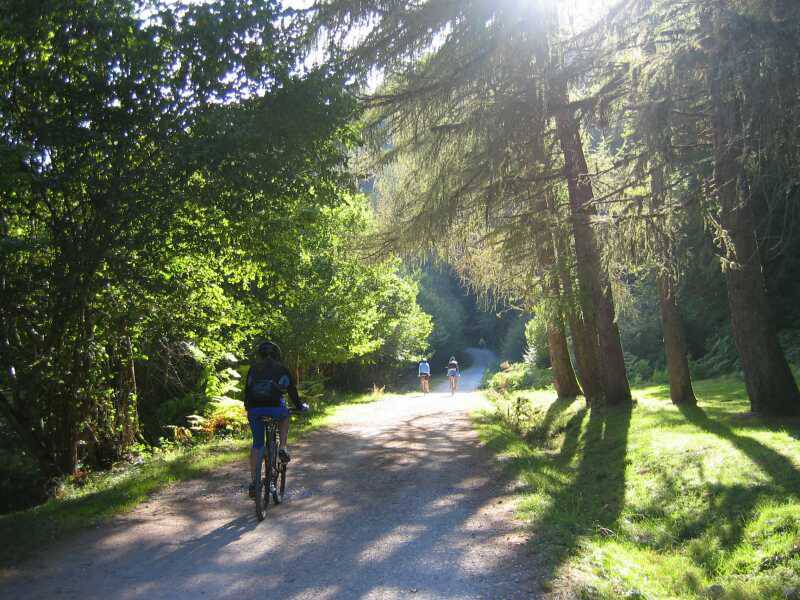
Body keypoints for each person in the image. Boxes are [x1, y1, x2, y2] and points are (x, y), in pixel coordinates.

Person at [244, 340, 307, 498]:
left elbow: (247, 393)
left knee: (257, 444)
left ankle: (254, 482)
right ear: (277, 354)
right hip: (275, 408)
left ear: (260, 354)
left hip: (255, 411)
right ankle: (282, 447)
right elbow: (292, 392)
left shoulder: (253, 369)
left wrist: (250, 408)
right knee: (285, 415)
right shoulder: (281, 369)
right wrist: (299, 407)